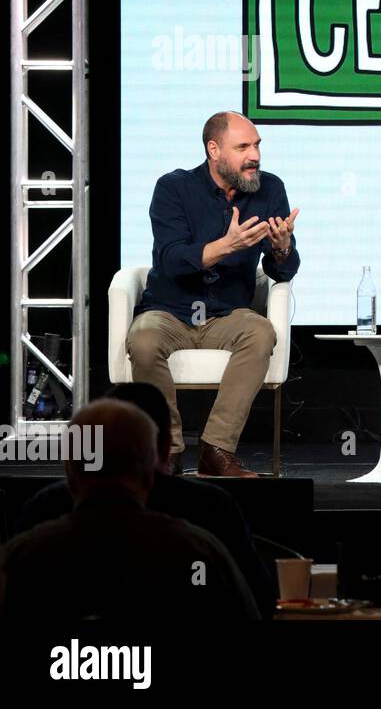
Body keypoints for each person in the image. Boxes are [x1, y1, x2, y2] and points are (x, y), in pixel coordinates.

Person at [126, 111, 300, 477]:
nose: (254, 155)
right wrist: (225, 246)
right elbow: (171, 260)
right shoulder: (173, 188)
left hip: (227, 313)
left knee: (260, 332)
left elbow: (280, 271)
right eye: (243, 147)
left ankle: (216, 450)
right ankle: (167, 451)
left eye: (257, 146)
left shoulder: (270, 189)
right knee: (142, 340)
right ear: (214, 150)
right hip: (170, 309)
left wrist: (282, 248)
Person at [16, 382, 276, 617]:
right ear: (162, 453)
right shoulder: (207, 519)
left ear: (70, 468)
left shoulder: (40, 516)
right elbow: (256, 607)